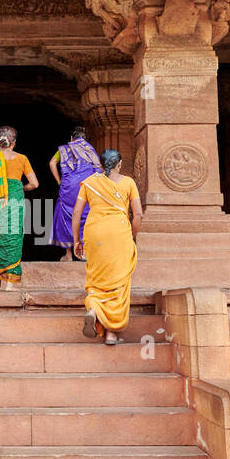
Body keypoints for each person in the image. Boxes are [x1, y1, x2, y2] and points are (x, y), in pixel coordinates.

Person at [71, 149, 143, 344]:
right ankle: (111, 332)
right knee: (118, 281)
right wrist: (131, 235)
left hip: (94, 232)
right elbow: (138, 215)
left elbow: (76, 213)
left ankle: (94, 308)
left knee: (97, 277)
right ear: (119, 164)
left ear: (101, 165)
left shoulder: (89, 183)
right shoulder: (128, 183)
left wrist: (76, 240)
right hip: (119, 232)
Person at [0, 125, 38, 289]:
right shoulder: (22, 159)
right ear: (14, 142)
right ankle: (10, 282)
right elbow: (34, 184)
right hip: (14, 200)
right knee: (12, 238)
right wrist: (20, 187)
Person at [49, 126, 102, 261]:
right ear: (84, 139)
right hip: (85, 187)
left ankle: (68, 254)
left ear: (71, 138)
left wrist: (59, 181)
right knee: (85, 216)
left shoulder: (64, 149)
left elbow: (52, 163)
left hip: (67, 187)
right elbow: (99, 169)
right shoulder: (89, 149)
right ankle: (83, 252)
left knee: (66, 217)